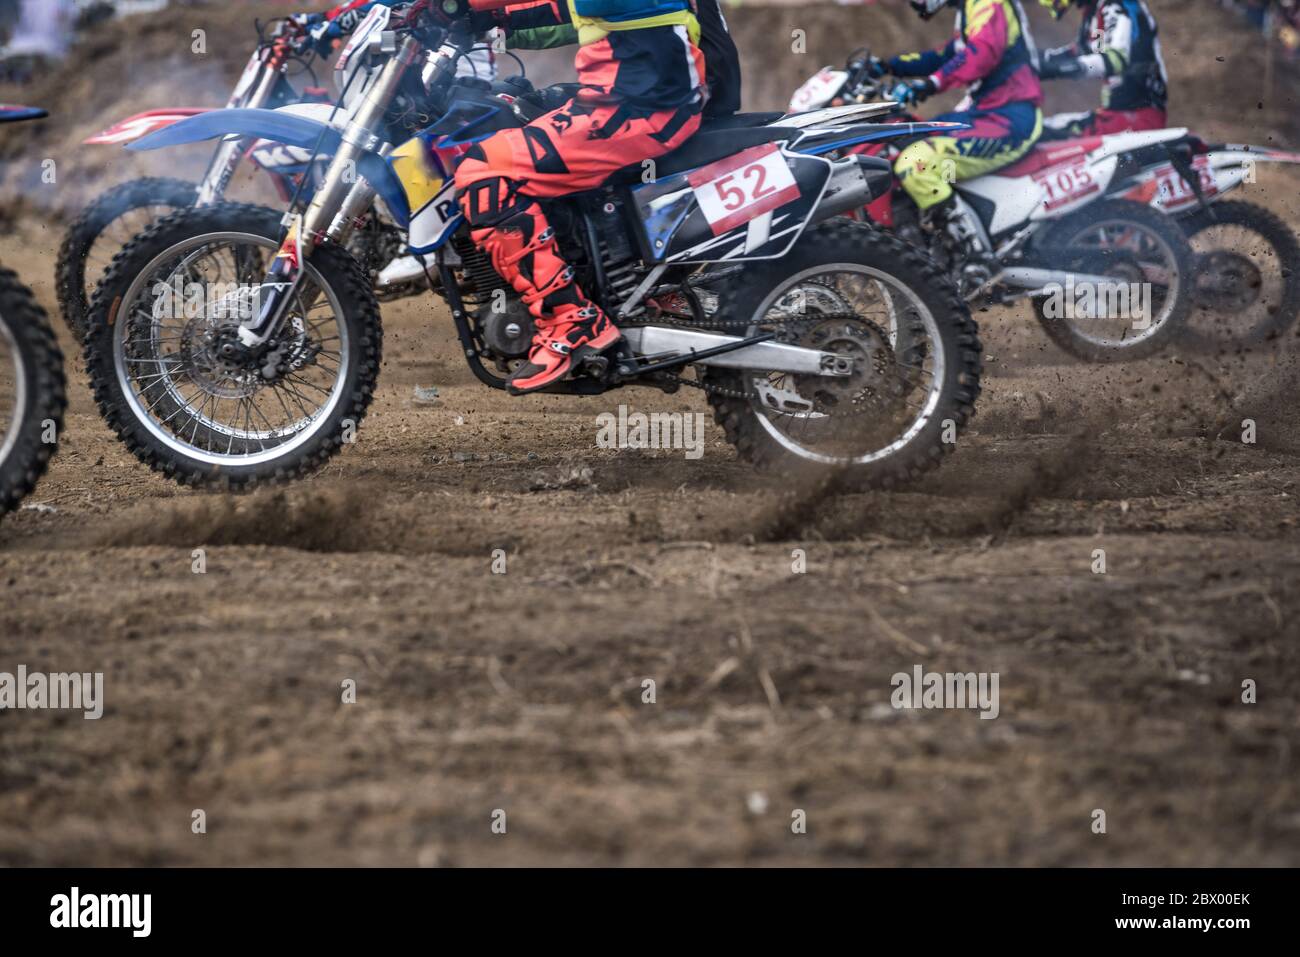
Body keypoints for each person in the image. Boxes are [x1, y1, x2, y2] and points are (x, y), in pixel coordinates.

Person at [451, 0, 708, 394]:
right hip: (637, 89)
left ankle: (572, 319)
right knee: (516, 114)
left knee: (487, 171)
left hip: (643, 102)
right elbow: (569, 10)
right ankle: (619, 286)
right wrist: (494, 17)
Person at [877, 0, 1043, 248]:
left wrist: (931, 83)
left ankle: (971, 256)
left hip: (1009, 120)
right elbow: (945, 56)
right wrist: (886, 66)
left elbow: (981, 53)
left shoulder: (989, 3)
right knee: (903, 140)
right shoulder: (969, 9)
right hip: (984, 114)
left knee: (916, 165)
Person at [1036, 0, 1168, 139]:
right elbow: (1090, 52)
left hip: (1135, 119)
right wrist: (1035, 61)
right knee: (1046, 129)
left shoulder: (1115, 5)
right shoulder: (1099, 9)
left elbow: (1115, 59)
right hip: (1120, 116)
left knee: (1043, 135)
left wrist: (1056, 68)